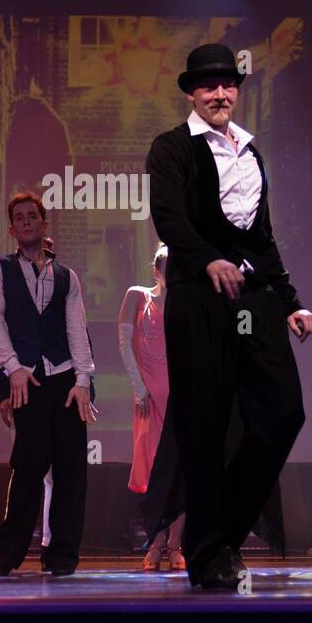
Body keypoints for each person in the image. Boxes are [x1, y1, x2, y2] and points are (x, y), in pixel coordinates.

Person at [145, 43, 312, 589]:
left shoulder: (251, 151)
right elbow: (170, 218)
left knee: (284, 412)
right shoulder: (173, 148)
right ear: (192, 93)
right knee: (205, 428)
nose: (221, 94)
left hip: (254, 301)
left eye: (229, 85)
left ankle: (224, 533)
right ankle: (207, 553)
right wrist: (207, 259)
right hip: (199, 299)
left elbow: (261, 236)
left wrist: (290, 301)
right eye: (210, 86)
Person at [0, 193, 97, 576]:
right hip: (26, 378)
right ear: (12, 229)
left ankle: (62, 557)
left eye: (34, 215)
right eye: (20, 217)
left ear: (44, 224)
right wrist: (12, 368)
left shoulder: (66, 276)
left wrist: (83, 380)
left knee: (71, 471)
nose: (28, 221)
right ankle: (7, 553)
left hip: (64, 377)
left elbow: (76, 330)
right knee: (28, 467)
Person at [119, 243, 186, 571]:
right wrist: (139, 388)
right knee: (152, 471)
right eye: (167, 267)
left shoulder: (185, 303)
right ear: (156, 270)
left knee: (180, 471)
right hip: (147, 398)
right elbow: (124, 344)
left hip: (180, 398)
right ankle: (155, 544)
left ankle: (174, 545)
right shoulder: (137, 296)